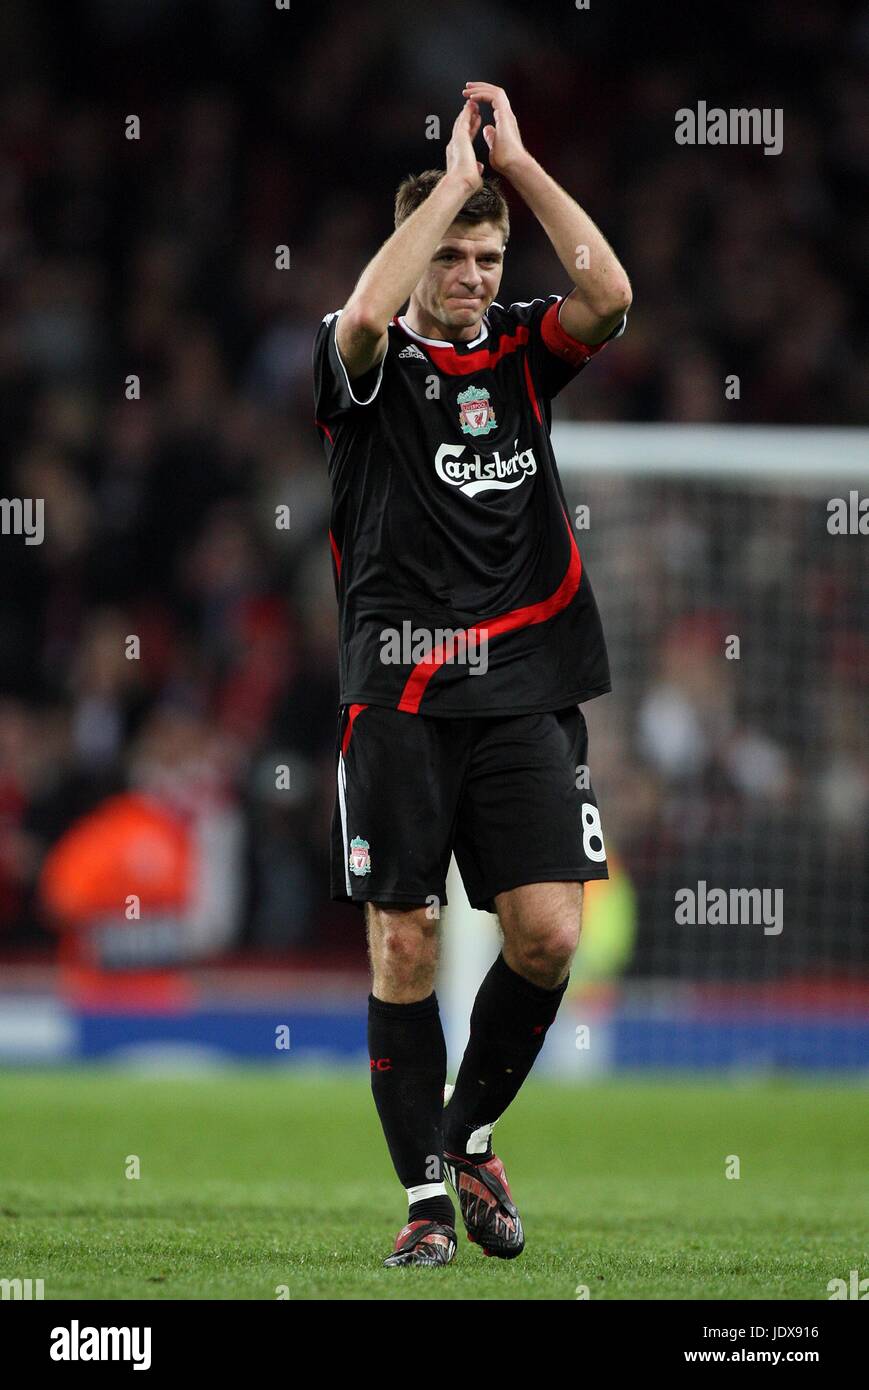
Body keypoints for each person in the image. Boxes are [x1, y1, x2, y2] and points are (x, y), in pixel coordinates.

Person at [312, 81, 631, 1267]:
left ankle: (470, 1131)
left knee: (548, 934)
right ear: (416, 255)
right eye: (455, 255)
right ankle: (422, 1207)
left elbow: (608, 294)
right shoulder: (365, 367)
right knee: (405, 939)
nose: (476, 274)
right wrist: (447, 184)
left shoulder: (520, 352)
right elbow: (355, 319)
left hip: (525, 685)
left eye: (488, 254)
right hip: (396, 689)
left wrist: (518, 166)